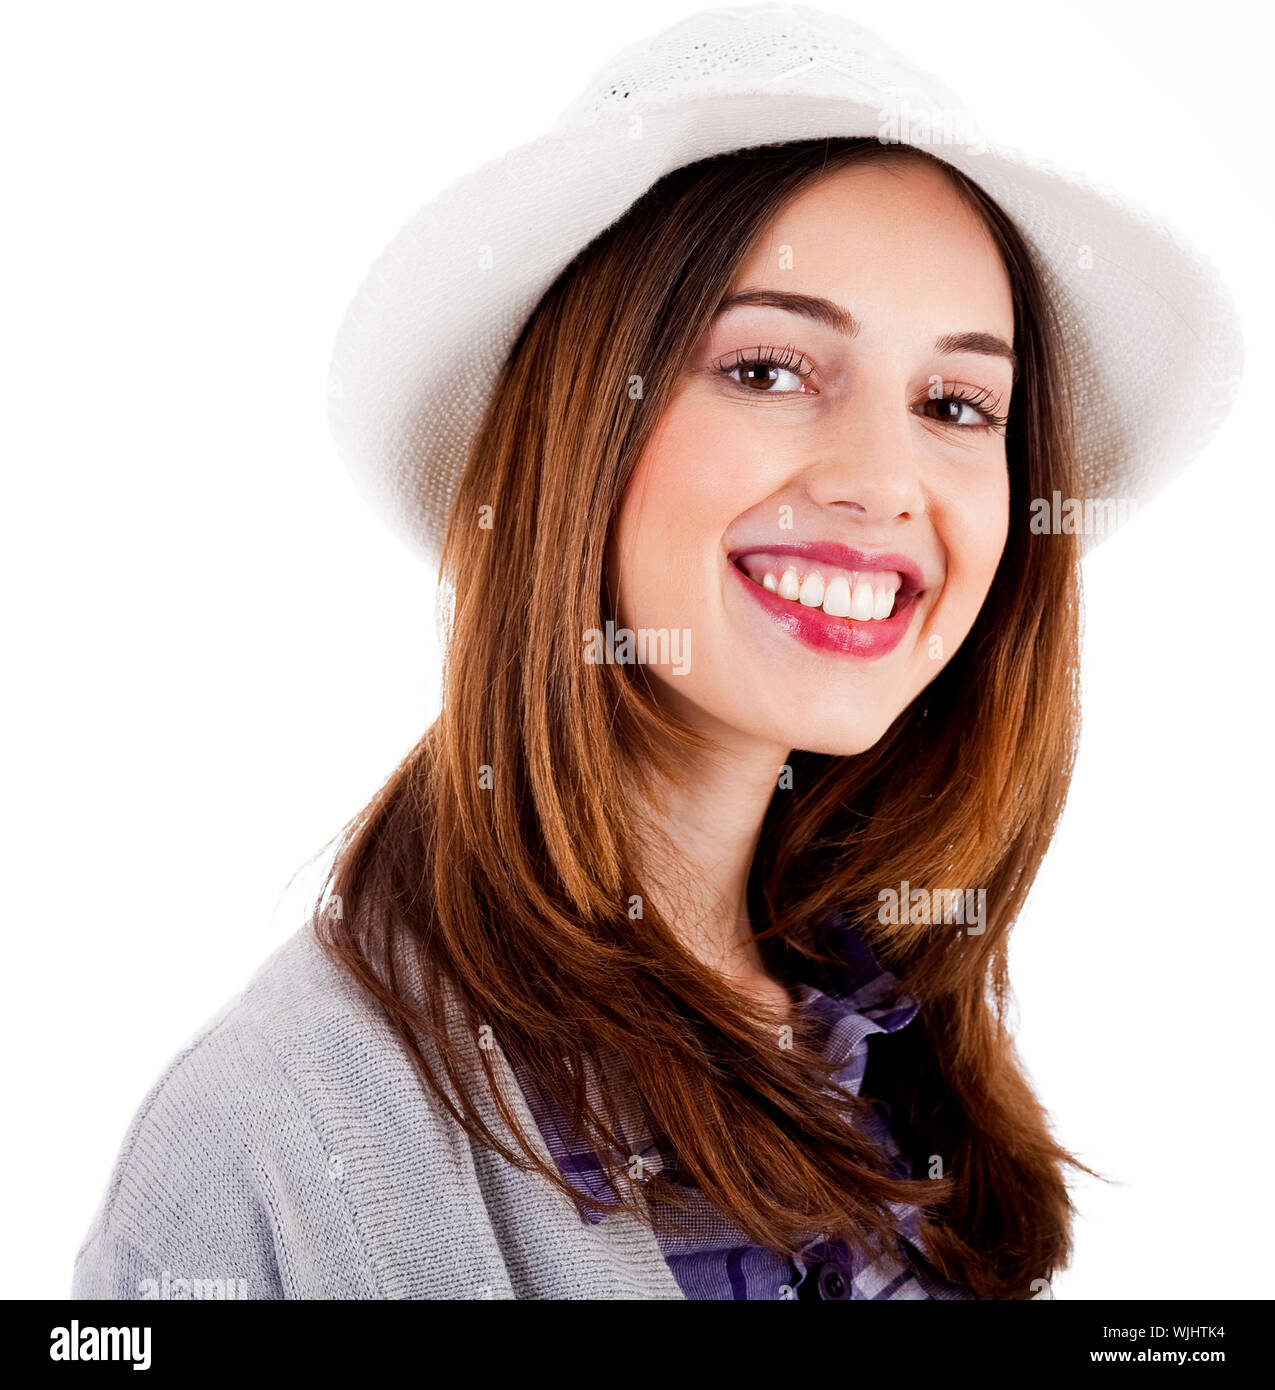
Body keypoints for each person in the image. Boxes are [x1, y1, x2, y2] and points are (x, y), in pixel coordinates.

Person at [72, 3, 1242, 1301]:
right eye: (771, 368)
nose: (884, 480)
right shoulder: (275, 1135)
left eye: (956, 403)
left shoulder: (899, 1033)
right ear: (581, 428)